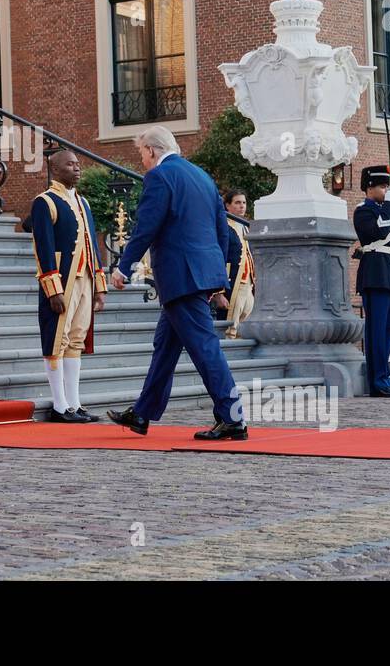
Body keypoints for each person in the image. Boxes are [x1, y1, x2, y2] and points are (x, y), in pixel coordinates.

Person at [107, 126, 246, 440]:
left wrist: (124, 266)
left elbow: (147, 226)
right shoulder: (202, 177)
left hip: (180, 277)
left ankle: (232, 417)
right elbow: (221, 230)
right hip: (199, 275)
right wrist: (216, 275)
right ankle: (142, 414)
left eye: (142, 153)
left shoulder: (160, 176)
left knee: (205, 347)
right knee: (165, 347)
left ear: (152, 150)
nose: (143, 160)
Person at [30, 149, 107, 422]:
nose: (77, 169)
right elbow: (44, 247)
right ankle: (60, 406)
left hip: (85, 276)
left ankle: (74, 403)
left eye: (78, 164)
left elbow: (92, 245)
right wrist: (53, 288)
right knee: (57, 340)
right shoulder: (45, 202)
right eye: (70, 165)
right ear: (55, 169)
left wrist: (99, 285)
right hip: (62, 280)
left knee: (75, 339)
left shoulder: (83, 203)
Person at [353, 165, 390, 397]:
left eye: (387, 186)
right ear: (369, 187)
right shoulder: (363, 210)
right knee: (376, 330)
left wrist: (387, 204)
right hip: (376, 274)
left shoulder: (383, 209)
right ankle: (377, 380)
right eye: (382, 186)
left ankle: (384, 377)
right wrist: (389, 204)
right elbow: (377, 231)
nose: (386, 190)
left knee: (388, 330)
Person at [222, 189, 255, 340]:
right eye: (237, 202)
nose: (242, 206)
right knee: (231, 324)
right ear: (227, 206)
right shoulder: (224, 225)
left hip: (248, 281)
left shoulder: (245, 226)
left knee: (246, 321)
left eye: (243, 202)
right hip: (233, 280)